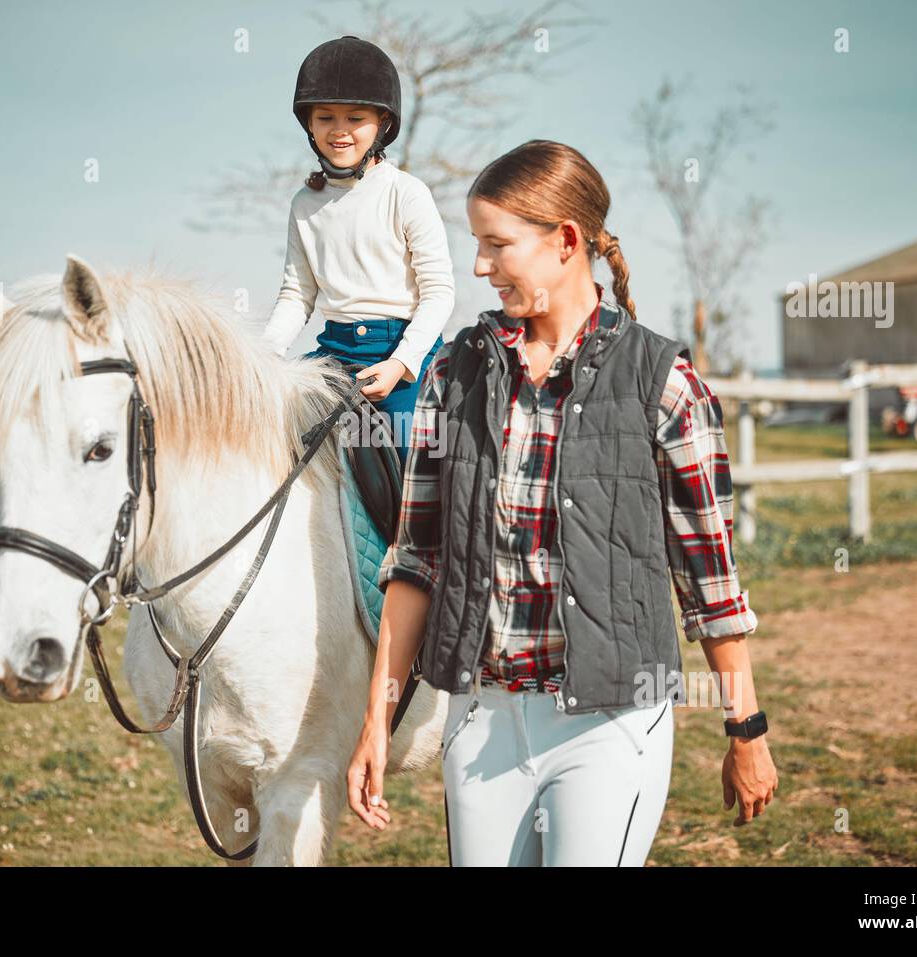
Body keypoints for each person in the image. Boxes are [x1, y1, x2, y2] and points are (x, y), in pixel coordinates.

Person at [346, 140, 779, 866]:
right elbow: (416, 558)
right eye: (476, 245)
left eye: (497, 245)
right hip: (482, 720)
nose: (479, 267)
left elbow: (710, 578)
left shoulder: (663, 382)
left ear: (566, 242)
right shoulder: (456, 373)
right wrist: (375, 723)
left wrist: (747, 727)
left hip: (610, 727)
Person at [262, 36, 453, 467]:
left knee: (418, 459)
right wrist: (266, 356)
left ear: (382, 122)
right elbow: (297, 295)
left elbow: (439, 292)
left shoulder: (407, 193)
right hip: (335, 352)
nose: (339, 129)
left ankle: (424, 535)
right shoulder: (304, 204)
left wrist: (402, 363)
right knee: (273, 438)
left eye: (355, 117)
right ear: (308, 124)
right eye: (325, 116)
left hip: (403, 352)